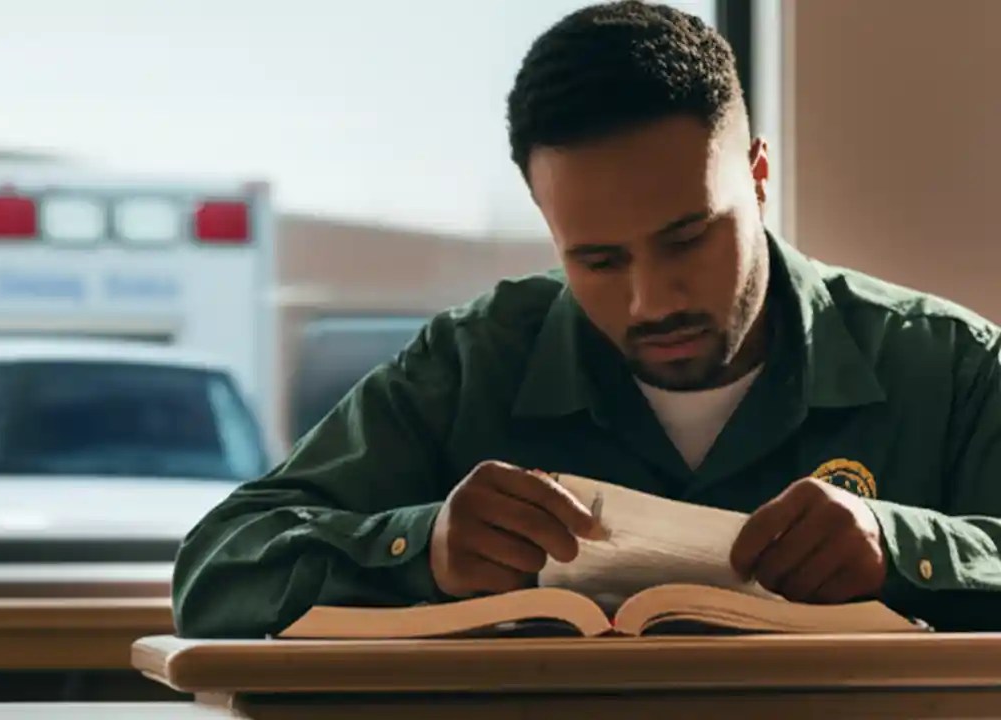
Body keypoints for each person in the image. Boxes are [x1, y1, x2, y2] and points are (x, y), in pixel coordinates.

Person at [171, 0, 1001, 638]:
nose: (654, 301)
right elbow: (215, 572)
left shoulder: (947, 366)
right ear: (549, 226)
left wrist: (904, 546)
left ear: (757, 177)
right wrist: (422, 549)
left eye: (687, 239)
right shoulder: (469, 364)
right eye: (598, 260)